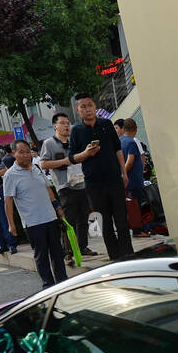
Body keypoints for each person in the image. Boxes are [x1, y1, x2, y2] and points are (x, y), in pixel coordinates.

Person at [67, 93, 133, 261]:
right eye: (83, 107)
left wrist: (123, 172)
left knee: (122, 221)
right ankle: (115, 259)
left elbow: (117, 149)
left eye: (89, 105)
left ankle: (129, 256)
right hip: (94, 185)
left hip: (114, 180)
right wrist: (86, 153)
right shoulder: (76, 131)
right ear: (78, 110)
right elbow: (73, 157)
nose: (87, 109)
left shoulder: (107, 124)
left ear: (95, 106)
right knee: (105, 225)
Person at [4, 138, 68, 290]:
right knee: (42, 256)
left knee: (58, 253)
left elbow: (48, 189)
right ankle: (48, 286)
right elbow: (8, 201)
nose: (26, 155)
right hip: (33, 223)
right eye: (21, 152)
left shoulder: (36, 168)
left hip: (50, 218)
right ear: (14, 154)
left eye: (28, 152)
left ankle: (63, 283)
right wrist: (11, 225)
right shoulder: (10, 175)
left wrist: (58, 209)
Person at [40, 111, 101, 259]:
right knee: (69, 221)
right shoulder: (49, 143)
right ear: (55, 126)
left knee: (83, 219)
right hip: (65, 187)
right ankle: (68, 252)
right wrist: (65, 161)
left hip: (82, 184)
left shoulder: (75, 141)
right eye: (62, 123)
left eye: (68, 123)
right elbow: (43, 164)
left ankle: (82, 246)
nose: (66, 126)